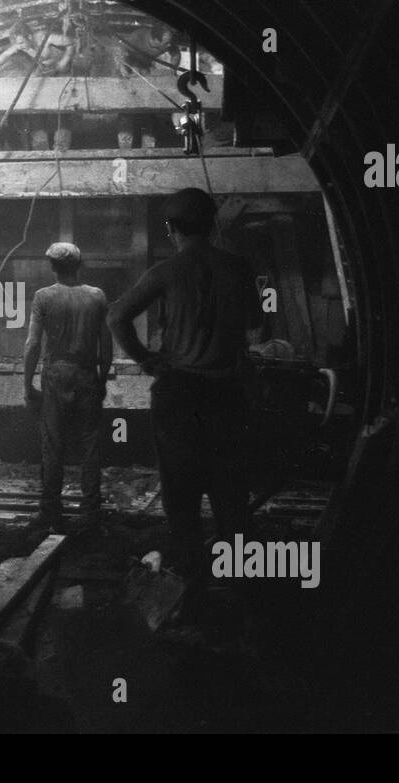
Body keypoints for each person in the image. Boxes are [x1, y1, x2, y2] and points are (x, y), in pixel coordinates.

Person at [107, 189, 264, 582]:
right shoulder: (239, 268)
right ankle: (240, 592)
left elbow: (116, 317)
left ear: (171, 228)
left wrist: (146, 359)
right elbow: (256, 323)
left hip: (178, 394)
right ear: (211, 224)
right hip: (227, 396)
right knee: (231, 498)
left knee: (181, 498)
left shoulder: (165, 272)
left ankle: (192, 593)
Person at [23, 242, 113, 533]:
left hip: (56, 374)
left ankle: (50, 510)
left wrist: (27, 382)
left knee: (53, 444)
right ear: (79, 265)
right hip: (87, 373)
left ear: (52, 267)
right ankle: (91, 510)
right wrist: (101, 378)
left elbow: (33, 344)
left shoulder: (43, 297)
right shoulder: (96, 296)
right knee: (90, 444)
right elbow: (107, 344)